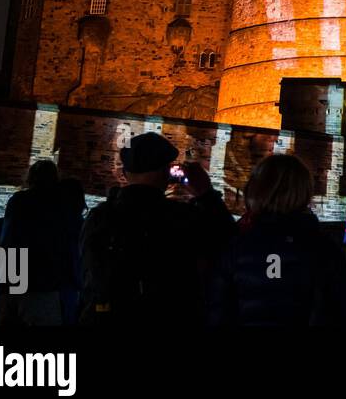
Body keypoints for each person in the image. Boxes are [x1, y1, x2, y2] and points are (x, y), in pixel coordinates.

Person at [79, 132, 234, 325]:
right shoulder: (183, 217)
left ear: (125, 174)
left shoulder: (100, 216)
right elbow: (229, 241)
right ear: (165, 173)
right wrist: (206, 194)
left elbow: (87, 274)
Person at [208, 154, 346, 326]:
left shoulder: (235, 249)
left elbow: (217, 314)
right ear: (304, 191)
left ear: (256, 190)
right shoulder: (325, 250)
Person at [0, 160, 75, 326]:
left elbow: (8, 238)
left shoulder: (18, 200)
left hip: (12, 279)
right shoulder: (60, 205)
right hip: (44, 283)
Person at [56, 177, 87, 325]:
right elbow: (77, 256)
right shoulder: (79, 223)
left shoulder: (51, 218)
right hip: (70, 283)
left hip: (47, 281)